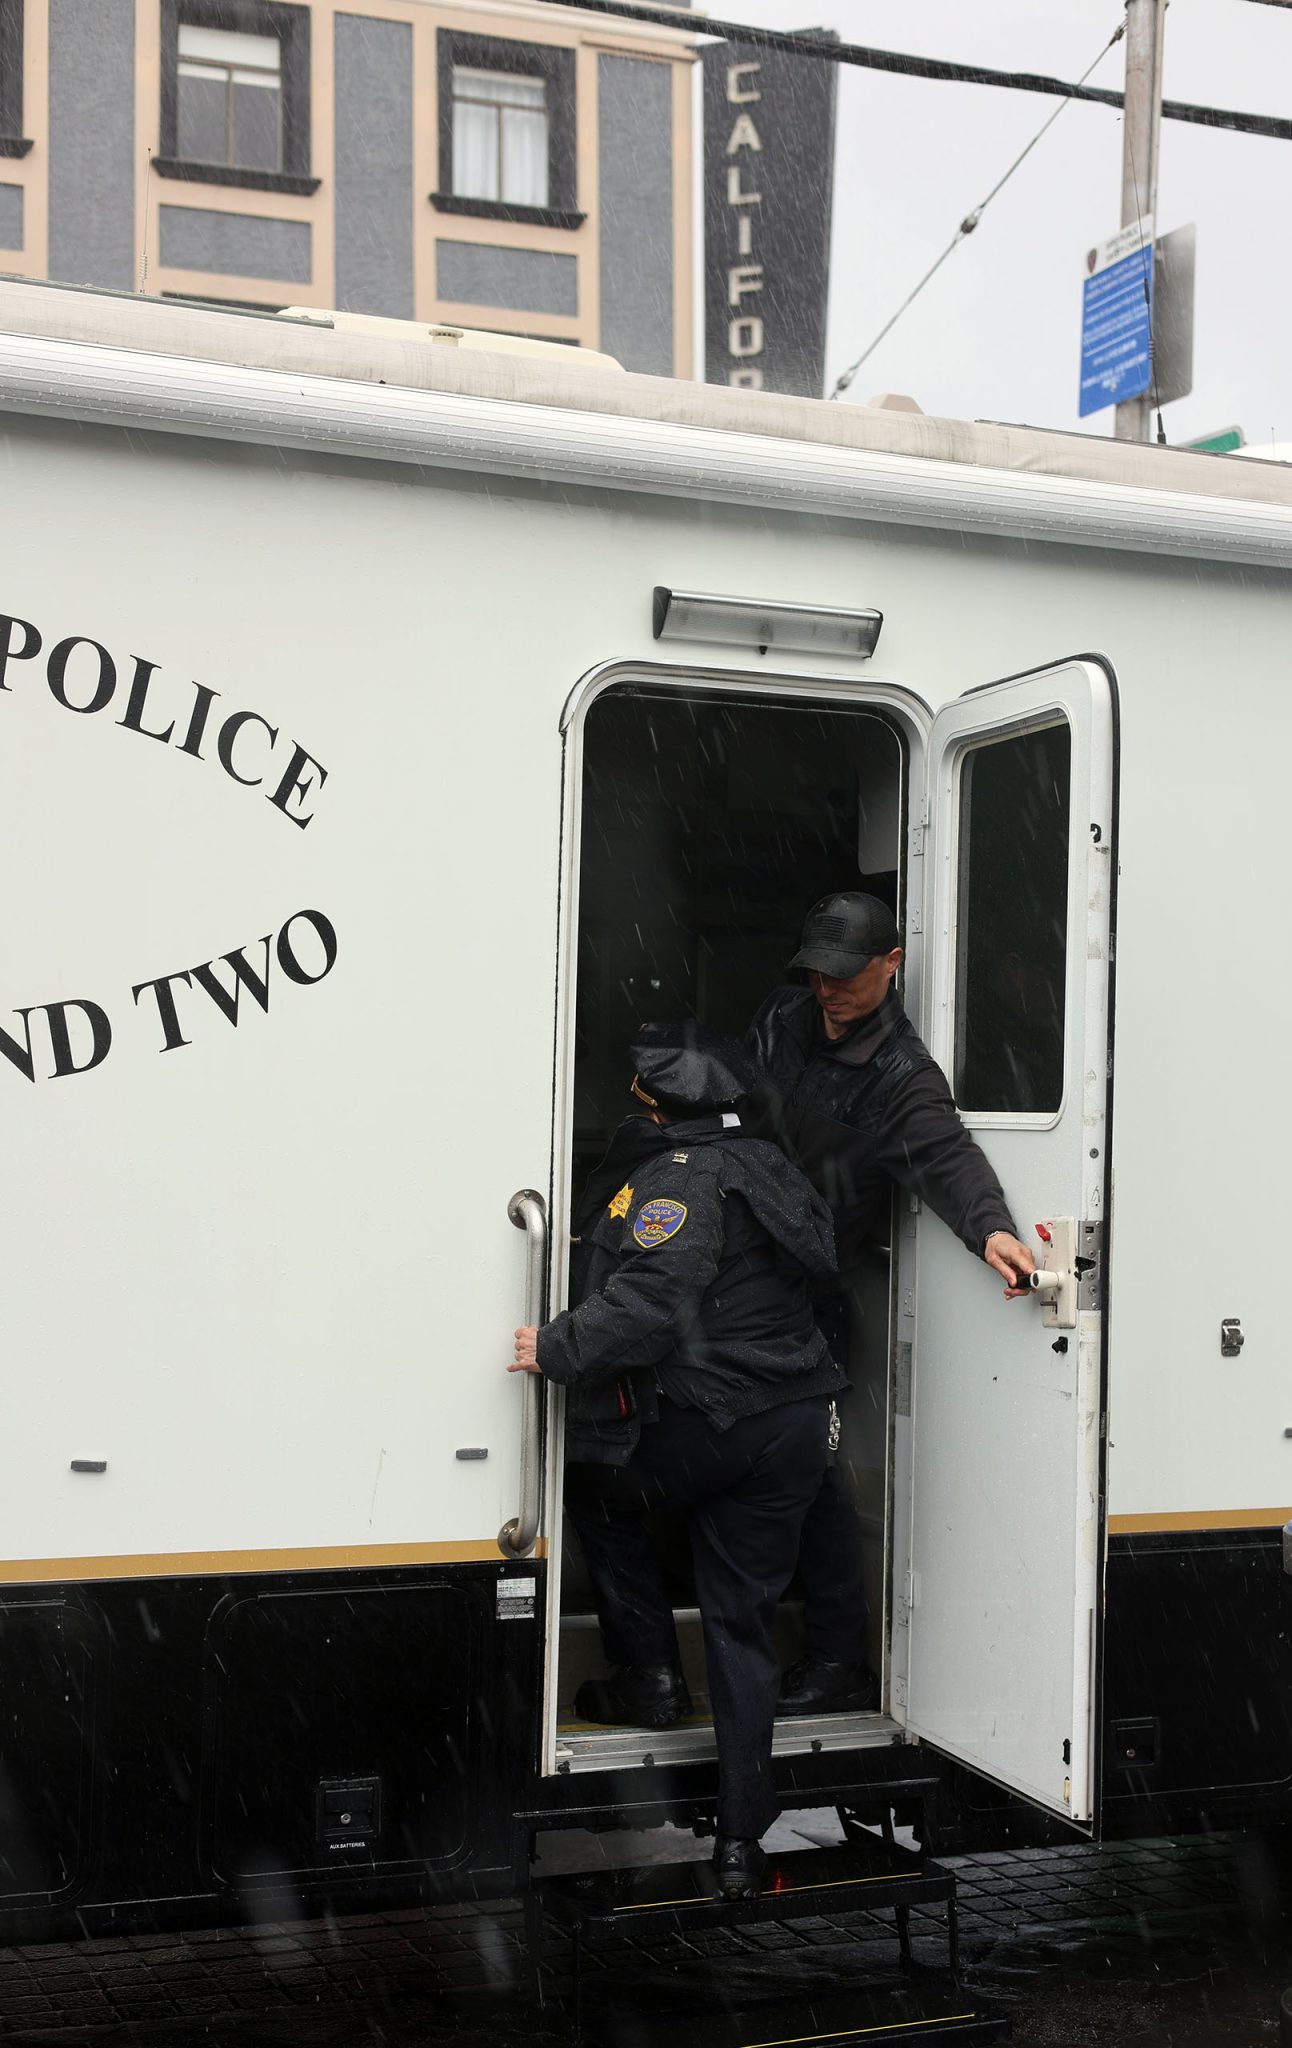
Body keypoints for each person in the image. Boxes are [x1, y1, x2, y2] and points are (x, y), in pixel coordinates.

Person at [509, 1021, 840, 1900]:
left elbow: (652, 1303)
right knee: (741, 1626)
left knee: (596, 1490)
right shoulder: (772, 1164)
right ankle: (740, 1843)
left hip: (712, 1424)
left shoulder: (673, 1182)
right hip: (795, 1422)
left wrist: (553, 1345)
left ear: (654, 1104)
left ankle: (649, 1675)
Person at [746, 891, 1037, 1717]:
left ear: (892, 966)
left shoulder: (902, 1077)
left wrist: (993, 1233)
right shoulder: (780, 1017)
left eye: (841, 975)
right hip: (733, 1277)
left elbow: (950, 1157)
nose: (825, 989)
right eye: (814, 973)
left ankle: (837, 1655)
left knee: (813, 1476)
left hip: (810, 1293)